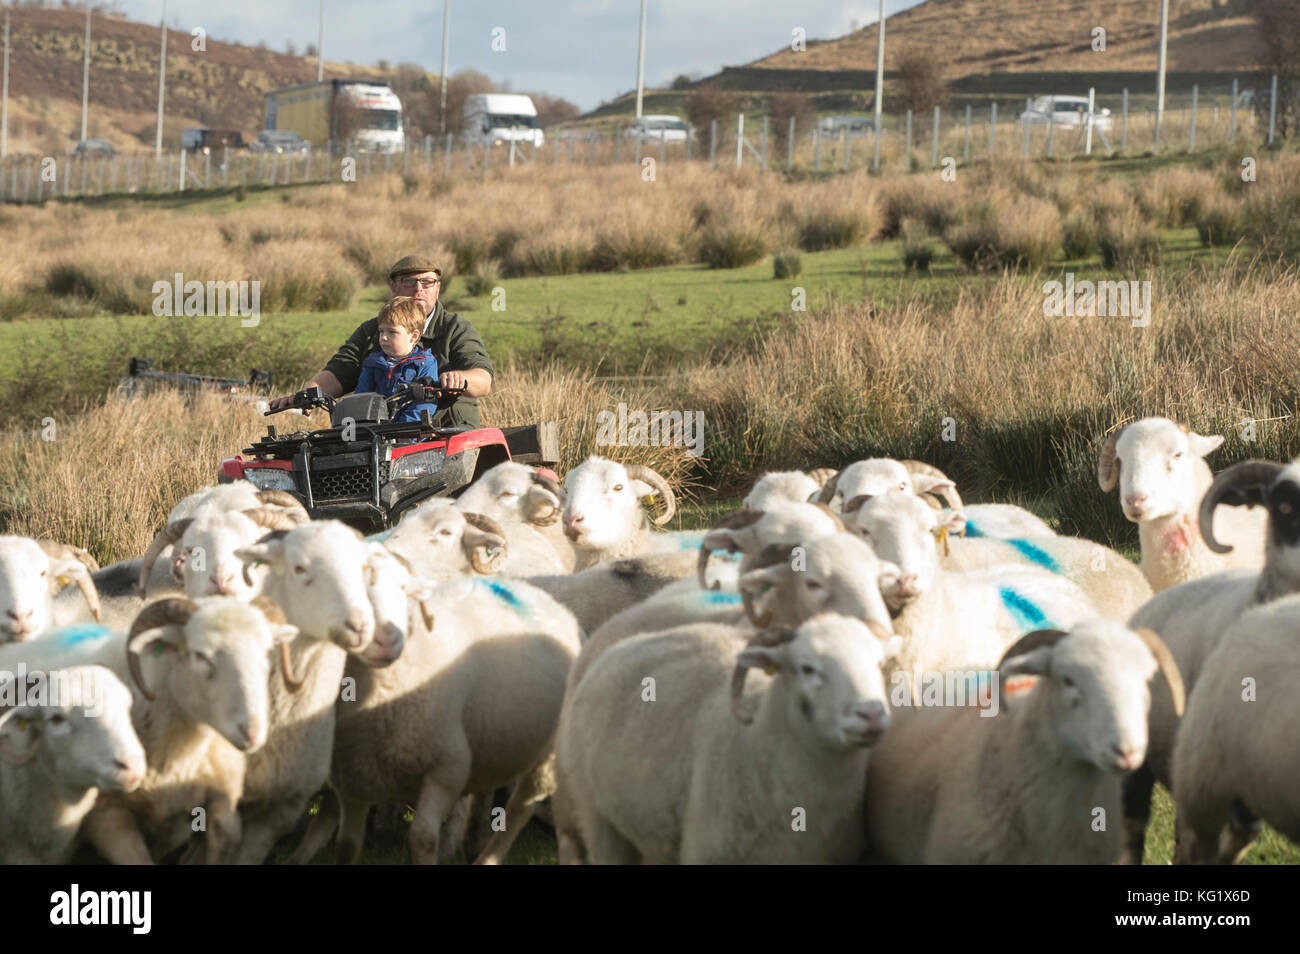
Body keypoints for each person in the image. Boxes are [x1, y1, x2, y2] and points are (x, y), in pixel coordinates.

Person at [269, 254, 493, 427]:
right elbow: (339, 371)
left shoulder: (456, 328)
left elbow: (483, 379)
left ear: (438, 287)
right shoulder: (371, 330)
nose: (418, 289)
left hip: (447, 431)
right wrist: (308, 394)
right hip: (382, 432)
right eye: (409, 282)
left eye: (427, 282)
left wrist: (460, 379)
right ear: (393, 286)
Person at [355, 296, 440, 424]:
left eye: (392, 332)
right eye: (381, 331)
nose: (383, 337)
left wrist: (404, 432)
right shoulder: (373, 362)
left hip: (410, 434)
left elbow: (424, 405)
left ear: (414, 335)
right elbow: (361, 397)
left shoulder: (425, 363)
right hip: (374, 432)